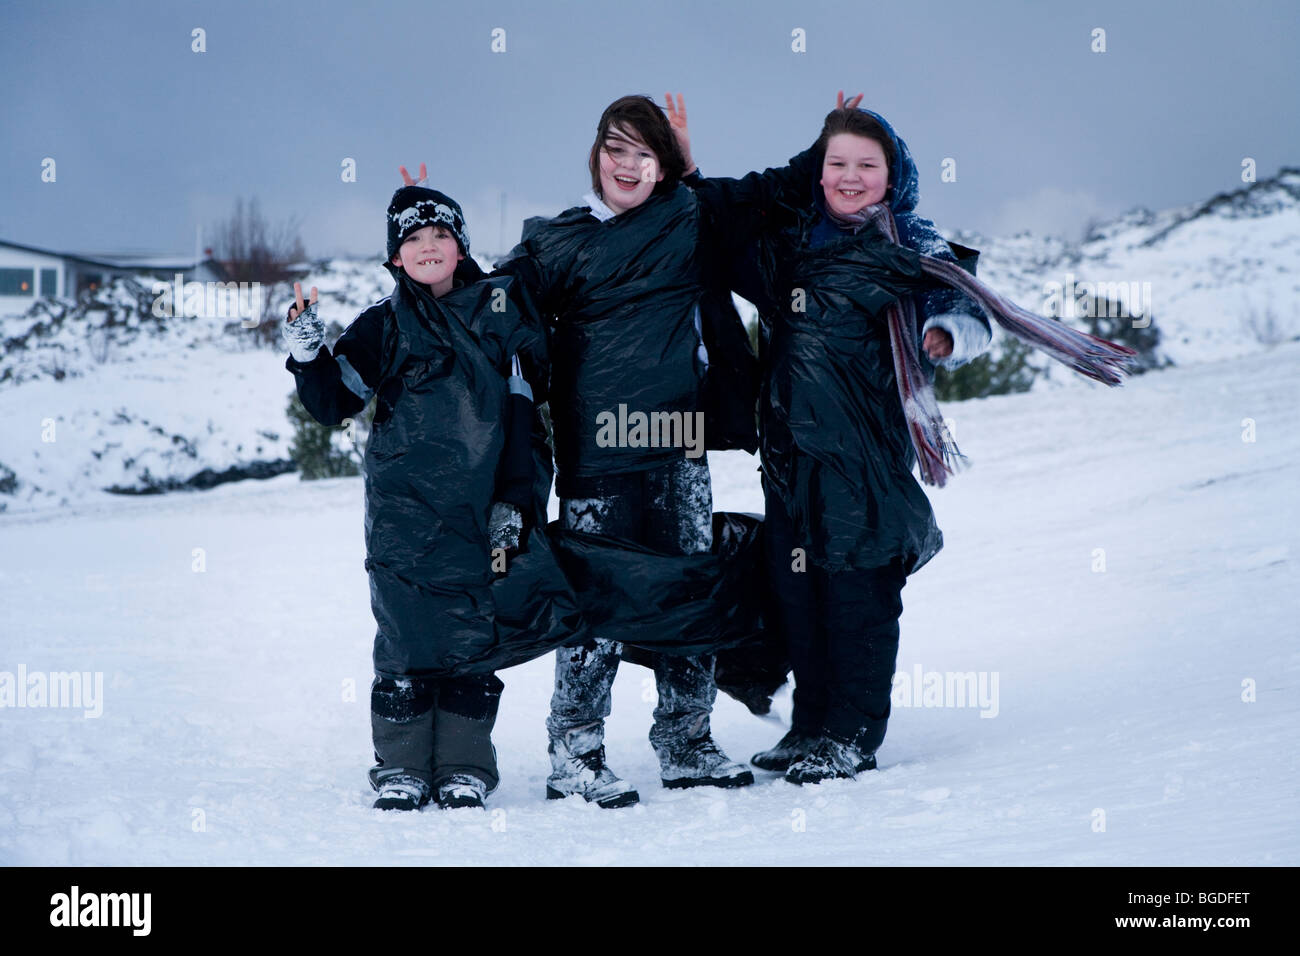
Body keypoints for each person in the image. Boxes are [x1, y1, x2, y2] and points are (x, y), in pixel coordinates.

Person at [682, 102, 1131, 783]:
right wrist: (687, 169)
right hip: (790, 459)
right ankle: (809, 728)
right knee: (801, 596)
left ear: (893, 175)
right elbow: (716, 229)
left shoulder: (909, 242)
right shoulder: (790, 241)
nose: (851, 177)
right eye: (838, 164)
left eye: (867, 165)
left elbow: (970, 305)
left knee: (858, 595)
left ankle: (852, 735)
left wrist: (945, 336)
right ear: (818, 171)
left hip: (865, 457)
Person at [283, 184, 582, 810]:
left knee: (473, 630)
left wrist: (516, 499)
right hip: (403, 509)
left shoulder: (502, 311)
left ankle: (466, 766)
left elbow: (527, 408)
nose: (427, 247)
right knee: (406, 631)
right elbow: (335, 401)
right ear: (395, 257)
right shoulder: (384, 323)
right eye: (412, 239)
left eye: (440, 235)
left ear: (461, 245)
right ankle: (400, 766)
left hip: (484, 503)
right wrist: (309, 351)